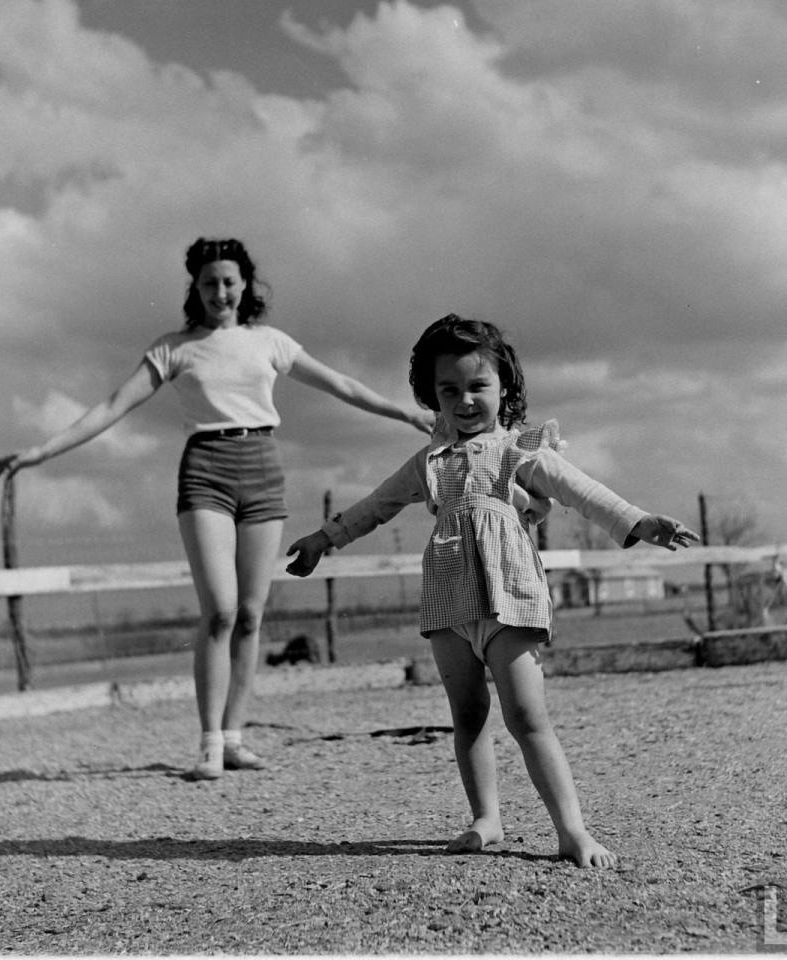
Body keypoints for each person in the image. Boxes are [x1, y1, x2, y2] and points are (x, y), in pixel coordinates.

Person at [0, 237, 433, 780]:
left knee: (250, 614)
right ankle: (208, 742)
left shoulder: (269, 341)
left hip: (263, 469)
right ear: (195, 288)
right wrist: (38, 453)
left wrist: (406, 415)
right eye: (208, 283)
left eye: (228, 282)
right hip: (205, 472)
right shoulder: (174, 348)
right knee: (220, 609)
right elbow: (111, 407)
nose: (219, 292)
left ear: (244, 285)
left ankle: (234, 738)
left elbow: (341, 385)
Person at [286, 313, 699, 867]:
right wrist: (324, 539)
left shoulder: (521, 451)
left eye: (477, 386)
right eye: (448, 390)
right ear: (431, 395)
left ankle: (572, 830)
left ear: (504, 386)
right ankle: (487, 818)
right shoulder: (427, 462)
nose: (464, 401)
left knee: (527, 716)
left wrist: (640, 521)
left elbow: (583, 492)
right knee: (468, 714)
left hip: (511, 598)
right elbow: (376, 506)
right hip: (448, 602)